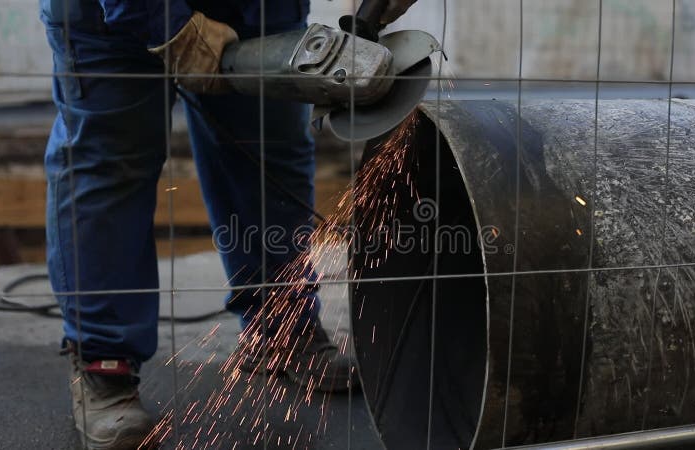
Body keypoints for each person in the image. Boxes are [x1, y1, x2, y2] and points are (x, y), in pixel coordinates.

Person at [39, 0, 417, 448]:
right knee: (108, 167)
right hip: (109, 17)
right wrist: (166, 24)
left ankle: (280, 328)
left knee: (268, 153)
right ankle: (104, 365)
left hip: (256, 11)